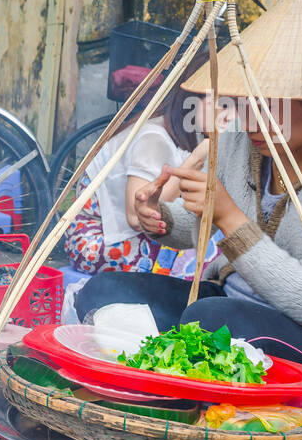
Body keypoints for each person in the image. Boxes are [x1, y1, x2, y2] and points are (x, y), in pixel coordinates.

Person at [76, 0, 302, 405]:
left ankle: (193, 400)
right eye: (242, 103)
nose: (250, 121)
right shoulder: (241, 140)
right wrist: (163, 218)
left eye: (269, 106)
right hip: (230, 304)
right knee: (102, 294)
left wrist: (230, 218)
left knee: (208, 321)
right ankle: (163, 399)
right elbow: (198, 223)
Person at [64, 48, 211, 274]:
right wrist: (196, 159)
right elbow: (136, 219)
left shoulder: (189, 134)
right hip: (95, 242)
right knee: (199, 252)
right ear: (190, 100)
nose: (230, 114)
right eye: (218, 103)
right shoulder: (154, 138)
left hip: (124, 236)